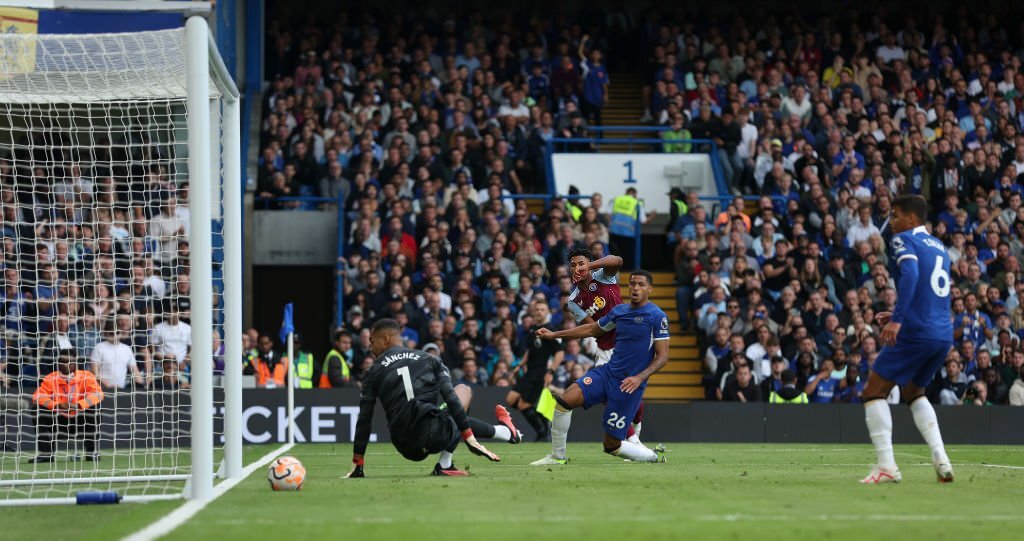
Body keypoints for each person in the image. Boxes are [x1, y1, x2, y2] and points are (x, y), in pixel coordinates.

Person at [345, 319, 522, 477]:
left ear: (385, 339)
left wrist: (358, 464)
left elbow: (364, 420)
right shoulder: (429, 359)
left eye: (372, 340)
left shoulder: (373, 371)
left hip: (405, 446)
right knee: (463, 389)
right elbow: (451, 398)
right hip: (435, 435)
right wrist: (469, 437)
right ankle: (505, 433)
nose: (370, 346)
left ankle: (446, 465)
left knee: (443, 413)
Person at [861, 195, 954, 484]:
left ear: (912, 219)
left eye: (897, 215)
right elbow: (932, 290)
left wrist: (899, 320)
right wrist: (898, 312)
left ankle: (887, 466)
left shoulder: (904, 240)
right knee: (915, 392)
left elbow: (912, 274)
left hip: (915, 332)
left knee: (873, 391)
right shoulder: (940, 247)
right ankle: (941, 459)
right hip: (942, 333)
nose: (892, 222)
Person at [534, 270, 670, 464]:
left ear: (650, 289)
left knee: (611, 445)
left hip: (628, 385)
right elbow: (591, 329)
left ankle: (653, 457)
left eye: (640, 284)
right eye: (632, 284)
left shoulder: (657, 316)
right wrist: (554, 335)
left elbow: (663, 356)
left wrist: (640, 377)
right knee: (565, 399)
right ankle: (557, 457)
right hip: (607, 373)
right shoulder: (619, 311)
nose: (635, 288)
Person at [30, 349, 104, 463]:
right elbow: (37, 397)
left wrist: (79, 405)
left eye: (70, 361)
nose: (66, 364)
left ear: (76, 363)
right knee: (36, 409)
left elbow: (98, 394)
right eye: (62, 361)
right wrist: (57, 405)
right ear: (58, 362)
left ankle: (92, 452)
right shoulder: (51, 378)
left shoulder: (87, 376)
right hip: (58, 420)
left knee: (95, 407)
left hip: (80, 420)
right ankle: (46, 454)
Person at [505, 301, 563, 441]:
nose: (539, 312)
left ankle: (542, 432)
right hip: (529, 372)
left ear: (547, 311)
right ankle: (544, 424)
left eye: (542, 309)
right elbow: (530, 352)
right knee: (511, 399)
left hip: (541, 373)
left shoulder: (551, 330)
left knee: (523, 404)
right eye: (537, 309)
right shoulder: (532, 330)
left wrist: (551, 372)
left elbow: (559, 353)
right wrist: (519, 366)